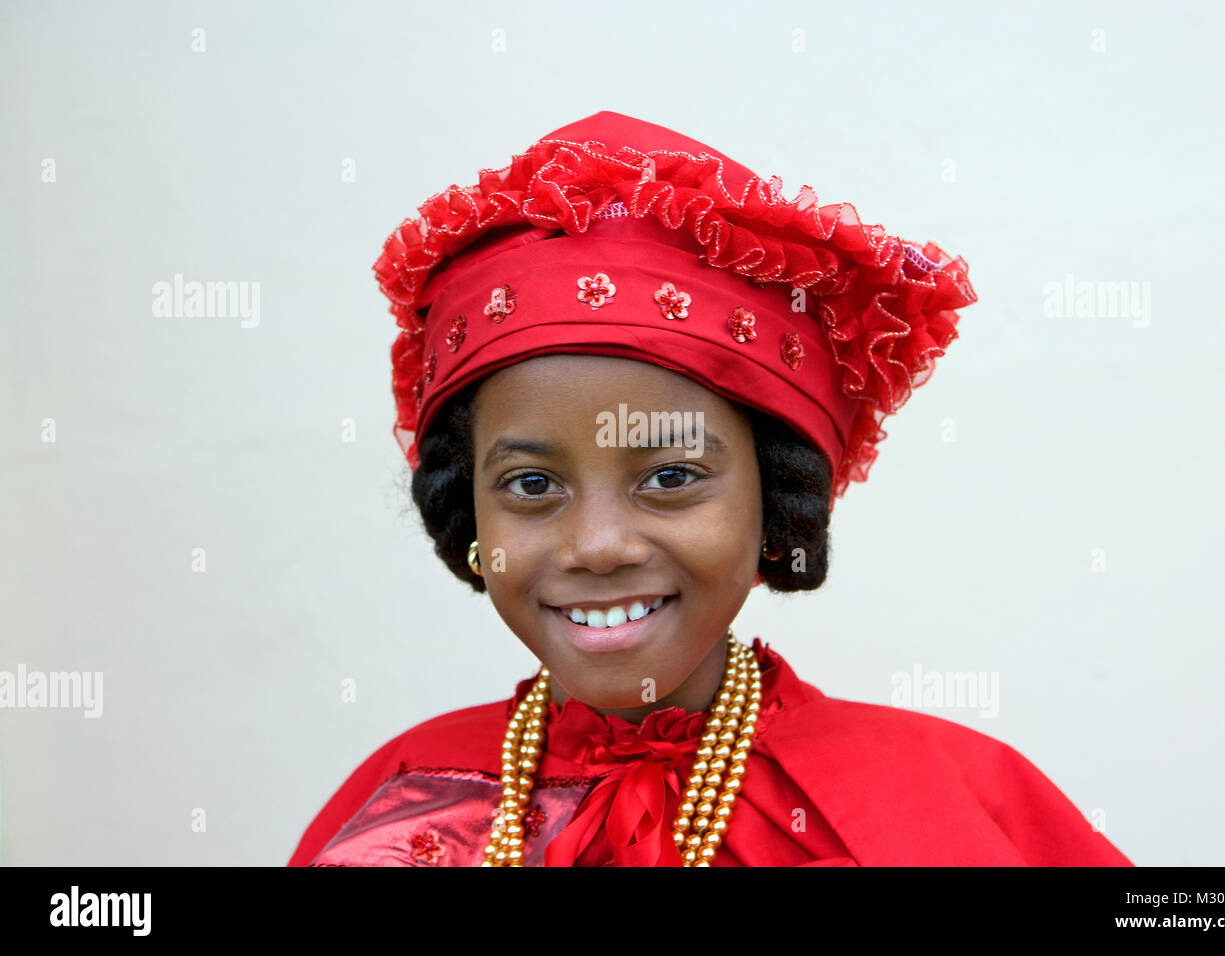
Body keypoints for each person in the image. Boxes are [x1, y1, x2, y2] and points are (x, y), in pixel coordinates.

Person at [288, 110, 1132, 867]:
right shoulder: (400, 801)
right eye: (533, 483)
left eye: (670, 477)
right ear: (465, 510)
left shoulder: (955, 801)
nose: (598, 546)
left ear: (775, 495)